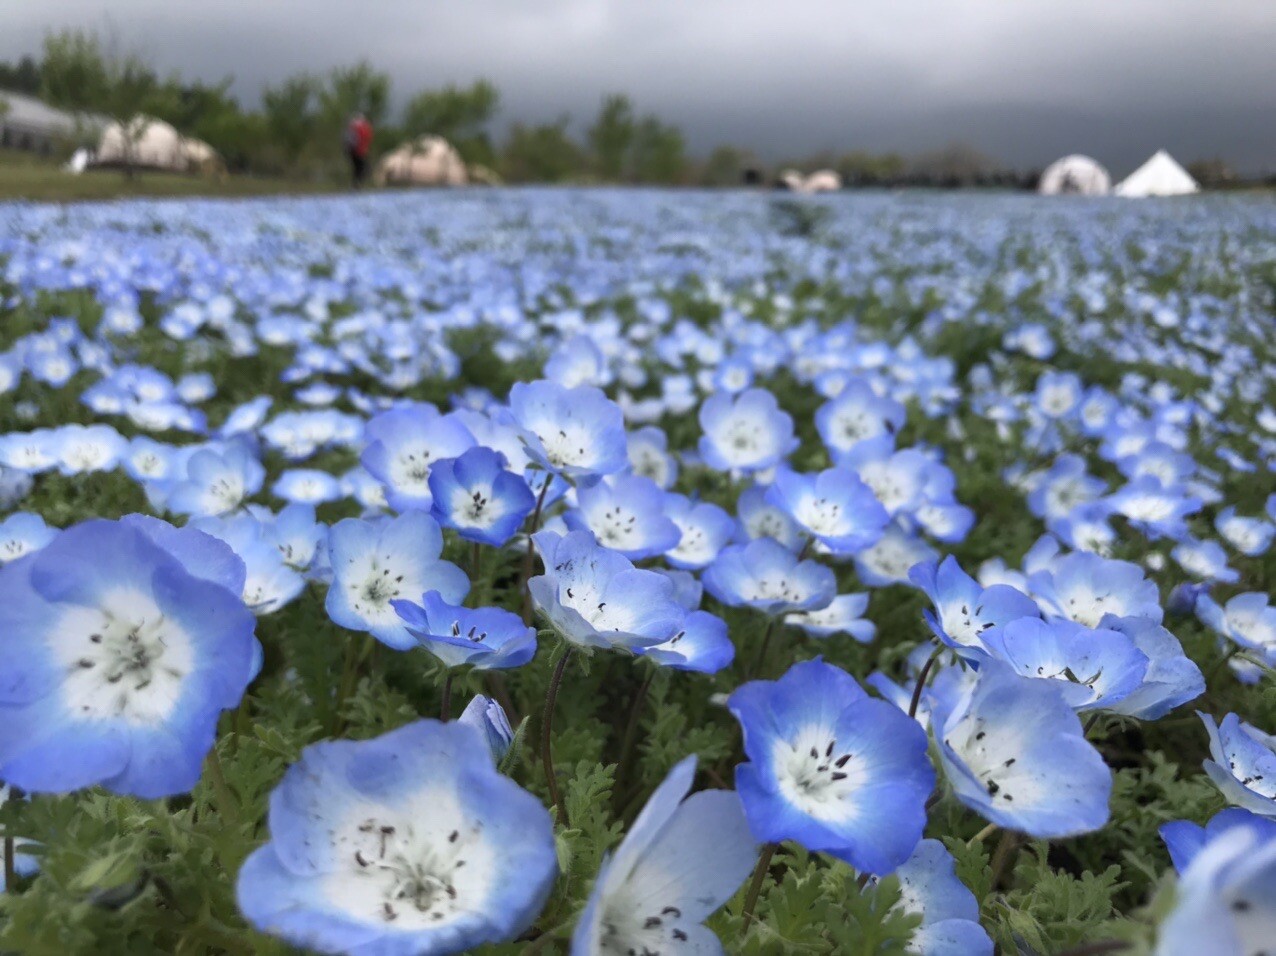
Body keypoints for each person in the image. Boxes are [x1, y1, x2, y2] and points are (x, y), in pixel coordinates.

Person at [344, 113, 373, 188]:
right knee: (362, 168)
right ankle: (357, 184)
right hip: (359, 151)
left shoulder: (352, 128)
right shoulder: (360, 128)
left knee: (358, 168)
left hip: (354, 151)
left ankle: (356, 184)